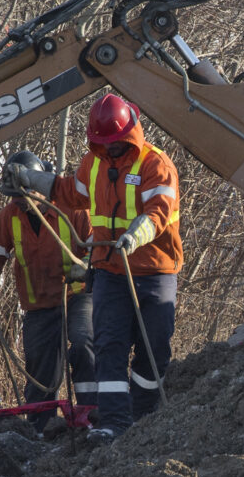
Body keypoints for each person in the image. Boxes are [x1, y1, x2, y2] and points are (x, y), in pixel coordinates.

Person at [77, 93, 182, 438]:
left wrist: (135, 236)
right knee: (109, 344)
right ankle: (113, 423)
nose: (110, 151)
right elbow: (69, 192)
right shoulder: (92, 163)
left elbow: (159, 211)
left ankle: (145, 414)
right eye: (104, 145)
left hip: (155, 272)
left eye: (116, 144)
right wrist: (35, 185)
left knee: (155, 347)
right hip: (111, 271)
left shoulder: (156, 164)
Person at [0, 148, 93, 411]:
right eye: (15, 197)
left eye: (25, 193)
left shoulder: (73, 209)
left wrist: (86, 266)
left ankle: (92, 415)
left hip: (79, 297)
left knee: (84, 344)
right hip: (39, 307)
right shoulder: (9, 216)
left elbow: (100, 249)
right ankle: (40, 429)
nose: (20, 201)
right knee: (39, 368)